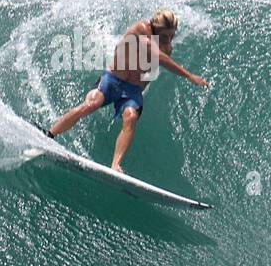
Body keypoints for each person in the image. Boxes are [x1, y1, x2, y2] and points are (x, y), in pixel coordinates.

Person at [46, 10, 208, 173]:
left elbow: (151, 71)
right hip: (112, 79)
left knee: (130, 117)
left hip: (132, 90)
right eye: (165, 35)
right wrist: (190, 76)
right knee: (91, 104)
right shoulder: (141, 29)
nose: (168, 40)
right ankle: (50, 134)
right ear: (154, 27)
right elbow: (159, 57)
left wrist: (138, 89)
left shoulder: (166, 47)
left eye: (171, 36)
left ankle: (115, 165)